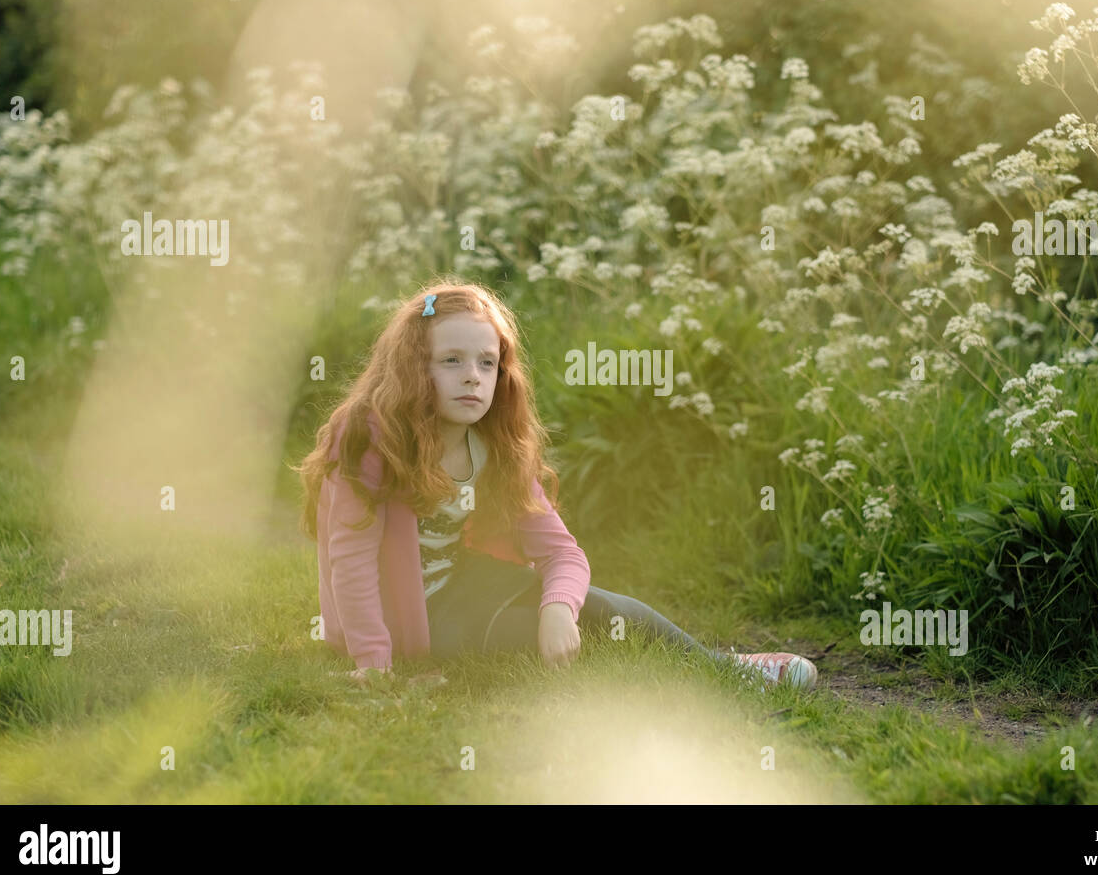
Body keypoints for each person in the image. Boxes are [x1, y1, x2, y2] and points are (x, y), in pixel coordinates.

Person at [296, 279, 818, 690]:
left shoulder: (495, 445)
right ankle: (695, 676)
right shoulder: (370, 438)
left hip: (462, 582)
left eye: (487, 362)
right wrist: (373, 660)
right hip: (406, 617)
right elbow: (353, 557)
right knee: (538, 641)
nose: (473, 376)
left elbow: (563, 554)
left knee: (601, 608)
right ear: (414, 368)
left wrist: (557, 608)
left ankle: (727, 669)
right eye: (450, 360)